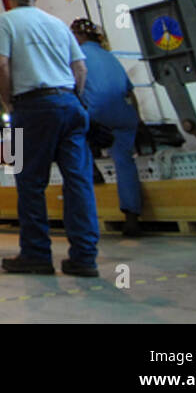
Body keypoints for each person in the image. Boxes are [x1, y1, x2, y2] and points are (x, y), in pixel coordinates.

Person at [0, 0, 98, 277]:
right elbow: (81, 69)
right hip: (70, 105)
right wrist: (71, 98)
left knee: (31, 184)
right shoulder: (58, 25)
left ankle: (36, 255)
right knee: (78, 183)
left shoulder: (5, 22)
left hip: (32, 108)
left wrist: (10, 101)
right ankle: (84, 259)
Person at [71, 18, 144, 237]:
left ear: (79, 37)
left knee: (69, 131)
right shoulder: (111, 57)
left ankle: (91, 168)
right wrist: (138, 122)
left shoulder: (76, 56)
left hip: (96, 114)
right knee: (124, 162)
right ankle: (132, 218)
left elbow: (72, 88)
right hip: (125, 114)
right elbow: (130, 92)